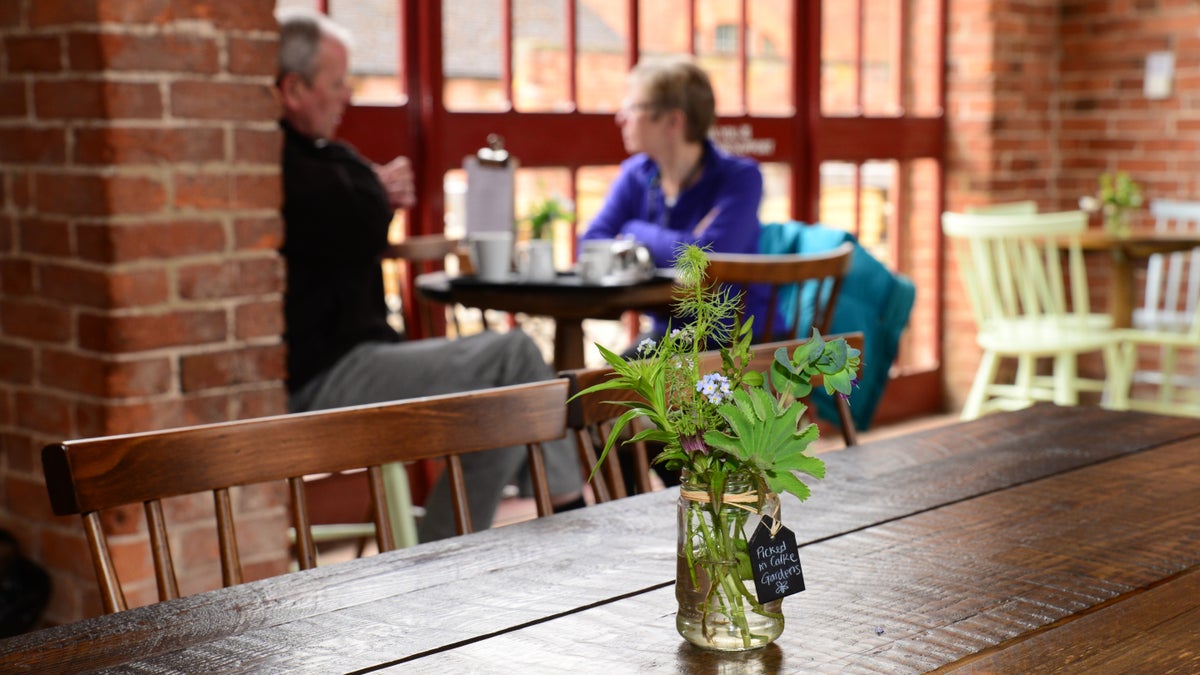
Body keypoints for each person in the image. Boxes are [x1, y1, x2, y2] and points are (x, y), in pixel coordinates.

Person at [275, 9, 582, 542]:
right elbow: (359, 208)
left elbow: (357, 197)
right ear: (294, 88)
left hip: (353, 360)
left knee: (501, 407)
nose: (348, 94)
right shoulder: (279, 161)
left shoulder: (318, 158)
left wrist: (365, 187)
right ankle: (572, 517)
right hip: (320, 378)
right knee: (512, 359)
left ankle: (445, 547)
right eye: (337, 82)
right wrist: (370, 189)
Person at [580, 55, 777, 343]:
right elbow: (590, 244)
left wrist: (633, 231)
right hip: (670, 335)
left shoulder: (741, 178)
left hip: (737, 342)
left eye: (633, 108)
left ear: (673, 121)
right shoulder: (636, 174)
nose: (620, 118)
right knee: (599, 374)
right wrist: (686, 243)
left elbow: (706, 261)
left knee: (618, 374)